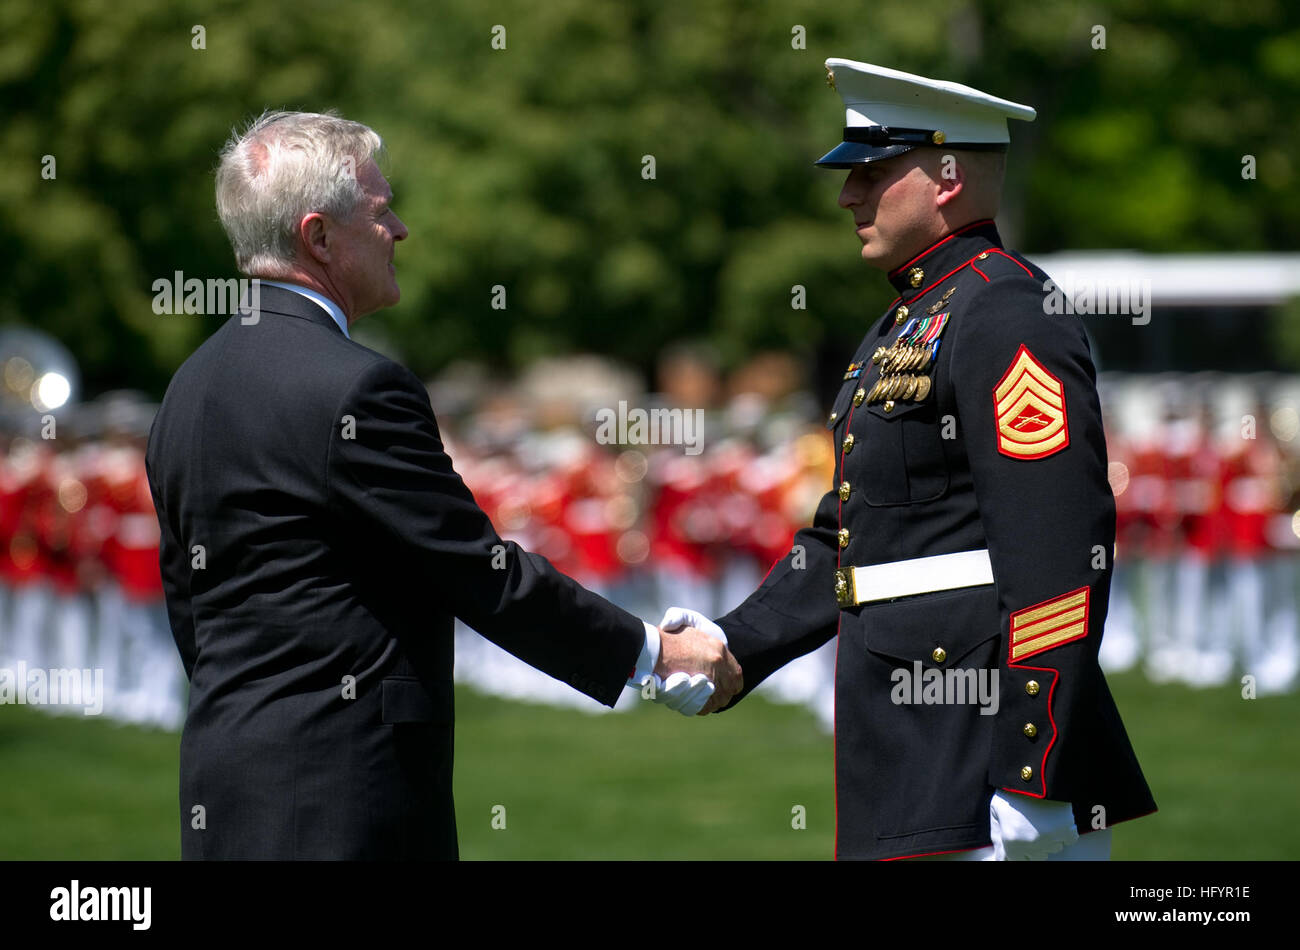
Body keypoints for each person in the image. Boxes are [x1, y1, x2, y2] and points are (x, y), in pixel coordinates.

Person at [145, 110, 739, 859]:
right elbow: (476, 571)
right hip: (343, 795)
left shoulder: (186, 391)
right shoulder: (358, 389)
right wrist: (654, 652)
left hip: (226, 783)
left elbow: (192, 611)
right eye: (380, 209)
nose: (399, 229)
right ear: (318, 237)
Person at [668, 60, 1157, 860]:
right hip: (911, 745)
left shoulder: (1003, 308)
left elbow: (1056, 552)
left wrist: (1036, 771)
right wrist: (731, 646)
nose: (847, 196)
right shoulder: (910, 319)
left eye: (872, 173)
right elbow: (849, 536)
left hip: (979, 760)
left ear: (948, 178)